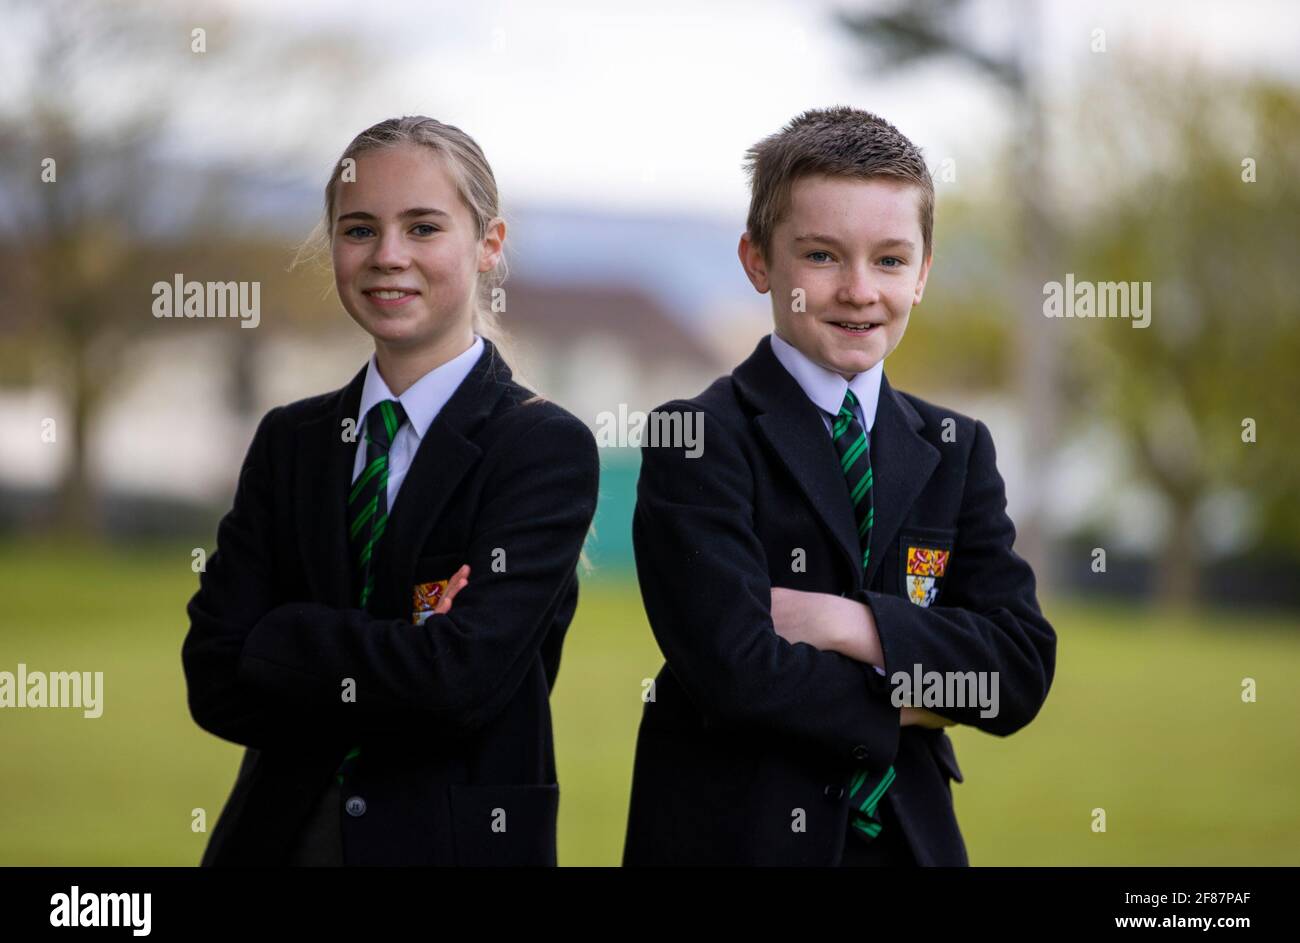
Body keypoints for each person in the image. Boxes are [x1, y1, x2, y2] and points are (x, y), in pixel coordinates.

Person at [622, 106, 1057, 866]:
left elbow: (1016, 671)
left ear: (922, 273)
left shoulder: (957, 449)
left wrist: (848, 625)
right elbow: (736, 676)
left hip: (909, 845)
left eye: (890, 261)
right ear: (759, 262)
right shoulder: (692, 438)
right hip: (734, 840)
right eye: (822, 256)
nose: (860, 290)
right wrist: (926, 693)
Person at [183, 115, 599, 866]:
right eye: (360, 230)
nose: (389, 257)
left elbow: (459, 685)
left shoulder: (542, 447)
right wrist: (409, 646)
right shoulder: (291, 442)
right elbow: (214, 677)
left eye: (424, 227)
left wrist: (278, 637)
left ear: (488, 245)